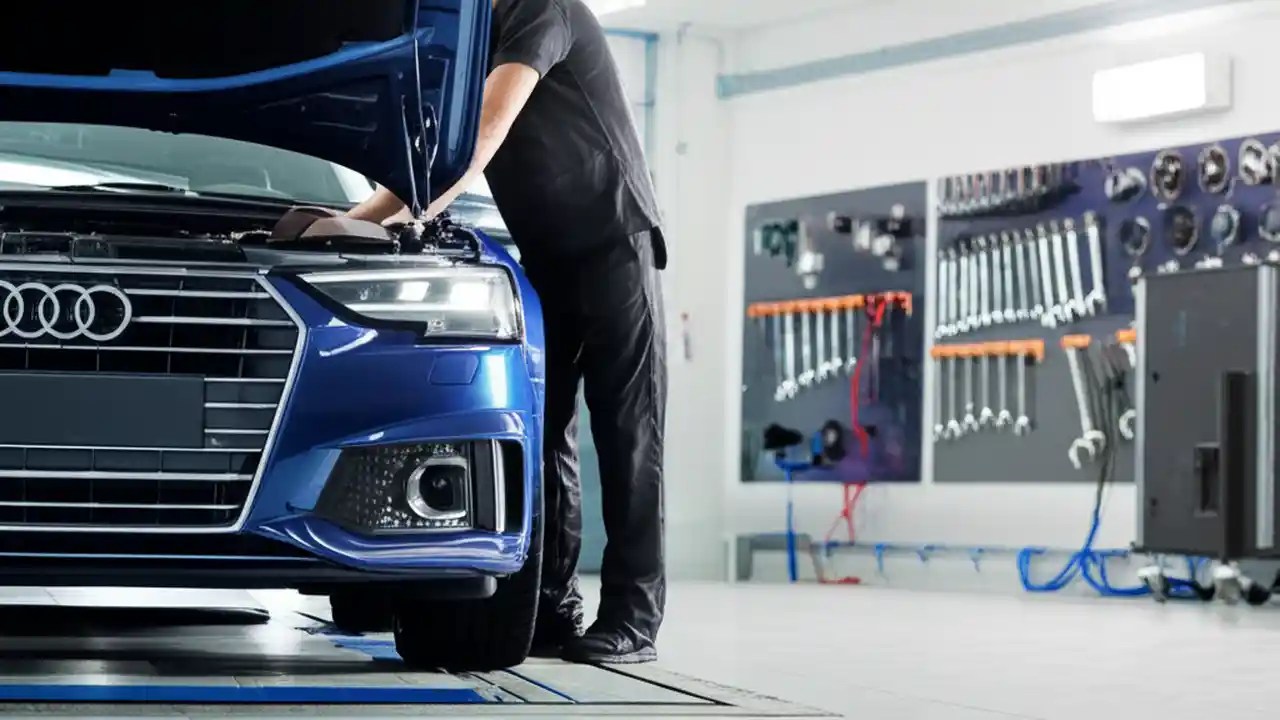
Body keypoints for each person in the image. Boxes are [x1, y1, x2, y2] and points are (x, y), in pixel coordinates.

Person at [345, 0, 667, 665]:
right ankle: (552, 606)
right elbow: (425, 151)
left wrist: (357, 226)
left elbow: (473, 144)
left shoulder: (539, 8)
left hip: (614, 241)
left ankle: (635, 618)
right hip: (546, 255)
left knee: (629, 435)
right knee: (545, 435)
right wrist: (360, 215)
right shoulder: (466, 45)